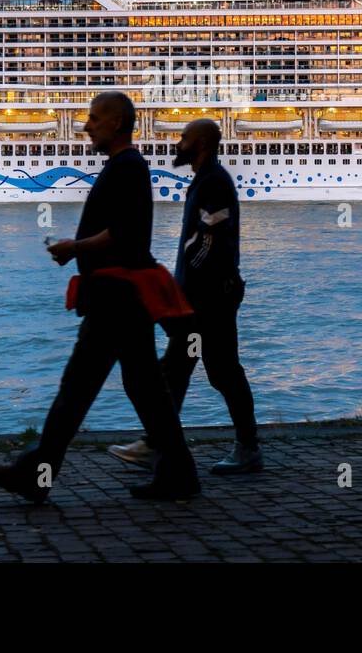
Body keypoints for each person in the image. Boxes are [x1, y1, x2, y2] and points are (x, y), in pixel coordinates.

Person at [0, 91, 200, 503]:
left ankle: (36, 475)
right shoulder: (126, 167)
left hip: (115, 298)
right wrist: (78, 248)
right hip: (122, 296)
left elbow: (125, 234)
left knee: (76, 390)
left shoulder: (127, 168)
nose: (86, 127)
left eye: (95, 119)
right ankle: (179, 474)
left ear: (117, 123)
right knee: (144, 389)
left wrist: (74, 247)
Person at [109, 118, 262, 475]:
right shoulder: (206, 180)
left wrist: (185, 283)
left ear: (203, 144)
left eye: (184, 139)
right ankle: (168, 443)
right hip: (205, 295)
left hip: (208, 299)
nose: (177, 145)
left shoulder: (213, 183)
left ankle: (162, 445)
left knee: (200, 371)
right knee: (205, 371)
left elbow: (209, 240)